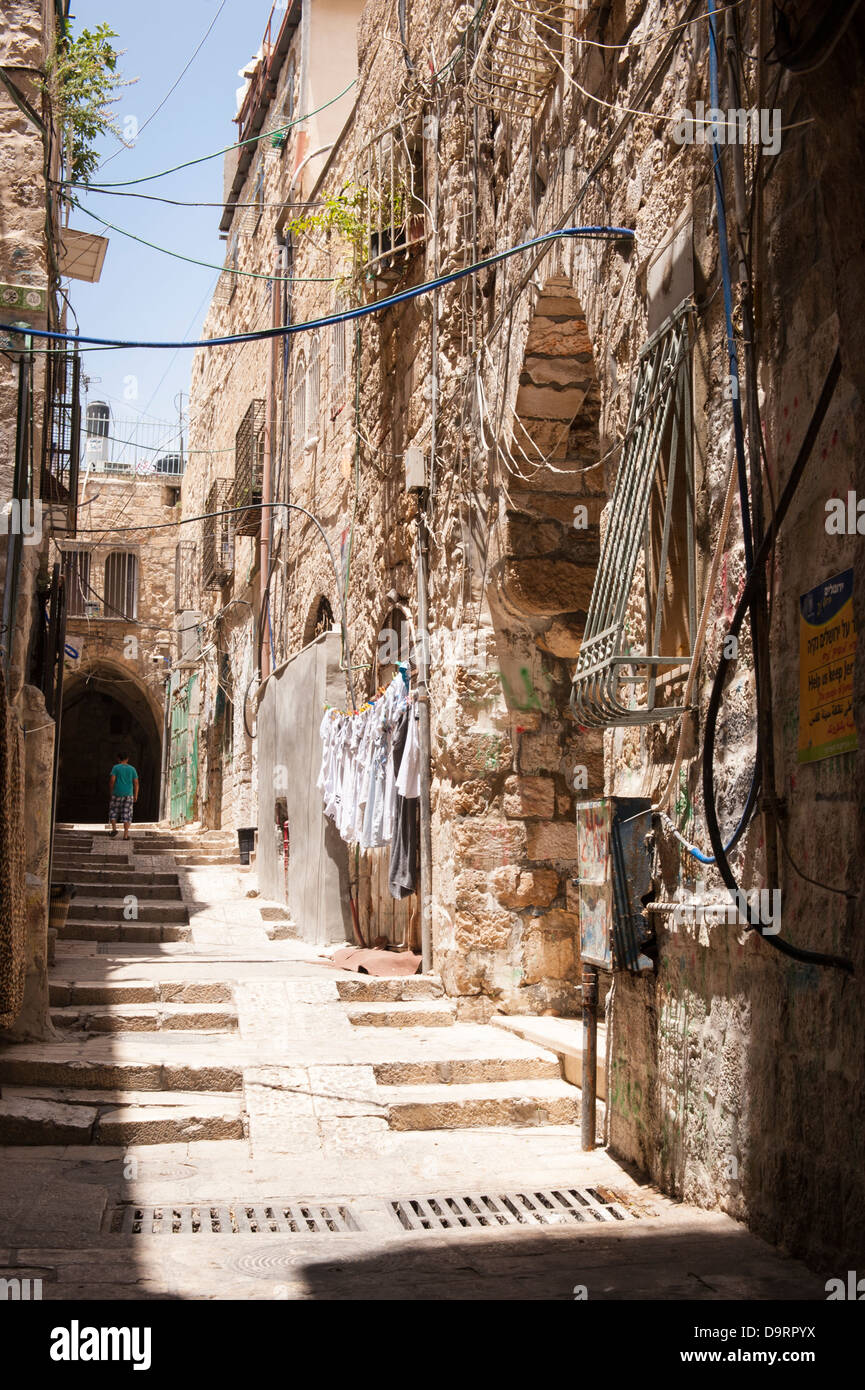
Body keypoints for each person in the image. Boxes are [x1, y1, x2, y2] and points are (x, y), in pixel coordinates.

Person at [108, 753, 139, 840]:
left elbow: (112, 781)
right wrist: (136, 795)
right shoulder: (132, 769)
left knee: (113, 811)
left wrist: (111, 792)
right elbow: (136, 783)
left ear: (118, 759)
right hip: (128, 794)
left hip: (116, 793)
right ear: (127, 759)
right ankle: (125, 835)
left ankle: (114, 829)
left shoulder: (115, 768)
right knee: (127, 814)